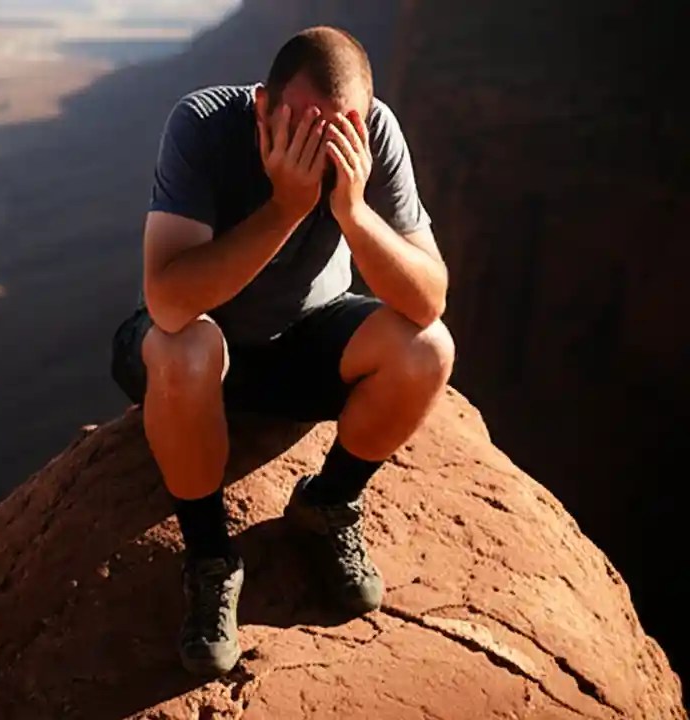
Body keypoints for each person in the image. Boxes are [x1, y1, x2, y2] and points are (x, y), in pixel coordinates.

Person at [109, 25, 455, 676]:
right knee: (188, 347)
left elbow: (428, 297)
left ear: (364, 117)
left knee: (427, 348)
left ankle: (327, 503)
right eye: (297, 125)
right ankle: (211, 555)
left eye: (337, 131)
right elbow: (171, 303)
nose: (316, 145)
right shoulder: (205, 124)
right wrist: (287, 208)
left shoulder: (376, 131)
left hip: (306, 338)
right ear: (263, 105)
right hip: (195, 352)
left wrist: (352, 210)